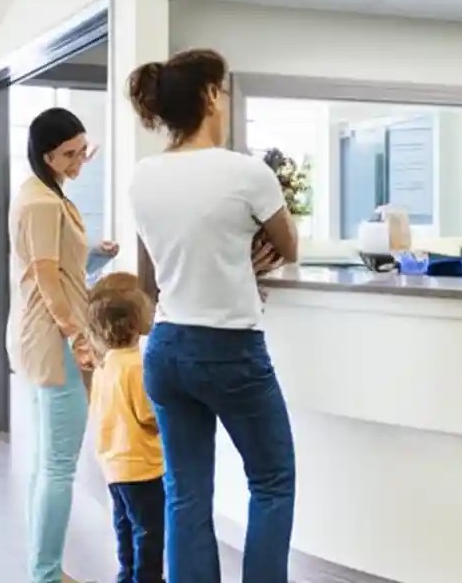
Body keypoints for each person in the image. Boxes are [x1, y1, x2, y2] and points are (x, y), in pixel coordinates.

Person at [127, 48, 299, 583]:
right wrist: (241, 255)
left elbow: (158, 266)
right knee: (271, 480)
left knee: (186, 495)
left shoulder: (143, 176)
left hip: (167, 347)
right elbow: (287, 247)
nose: (223, 103)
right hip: (230, 350)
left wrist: (224, 256)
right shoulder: (247, 173)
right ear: (206, 96)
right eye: (220, 92)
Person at [9, 107, 119, 583]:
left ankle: (43, 567)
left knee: (45, 462)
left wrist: (95, 254)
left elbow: (61, 267)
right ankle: (47, 574)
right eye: (69, 155)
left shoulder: (45, 192)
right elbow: (47, 279)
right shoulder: (41, 202)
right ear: (46, 155)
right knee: (58, 465)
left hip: (47, 334)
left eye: (82, 150)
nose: (79, 162)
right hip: (55, 340)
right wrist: (77, 336)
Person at [86, 272, 165, 583]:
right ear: (136, 320)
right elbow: (147, 416)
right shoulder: (135, 366)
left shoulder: (105, 366)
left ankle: (126, 576)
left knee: (125, 528)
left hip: (114, 469)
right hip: (142, 470)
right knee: (150, 532)